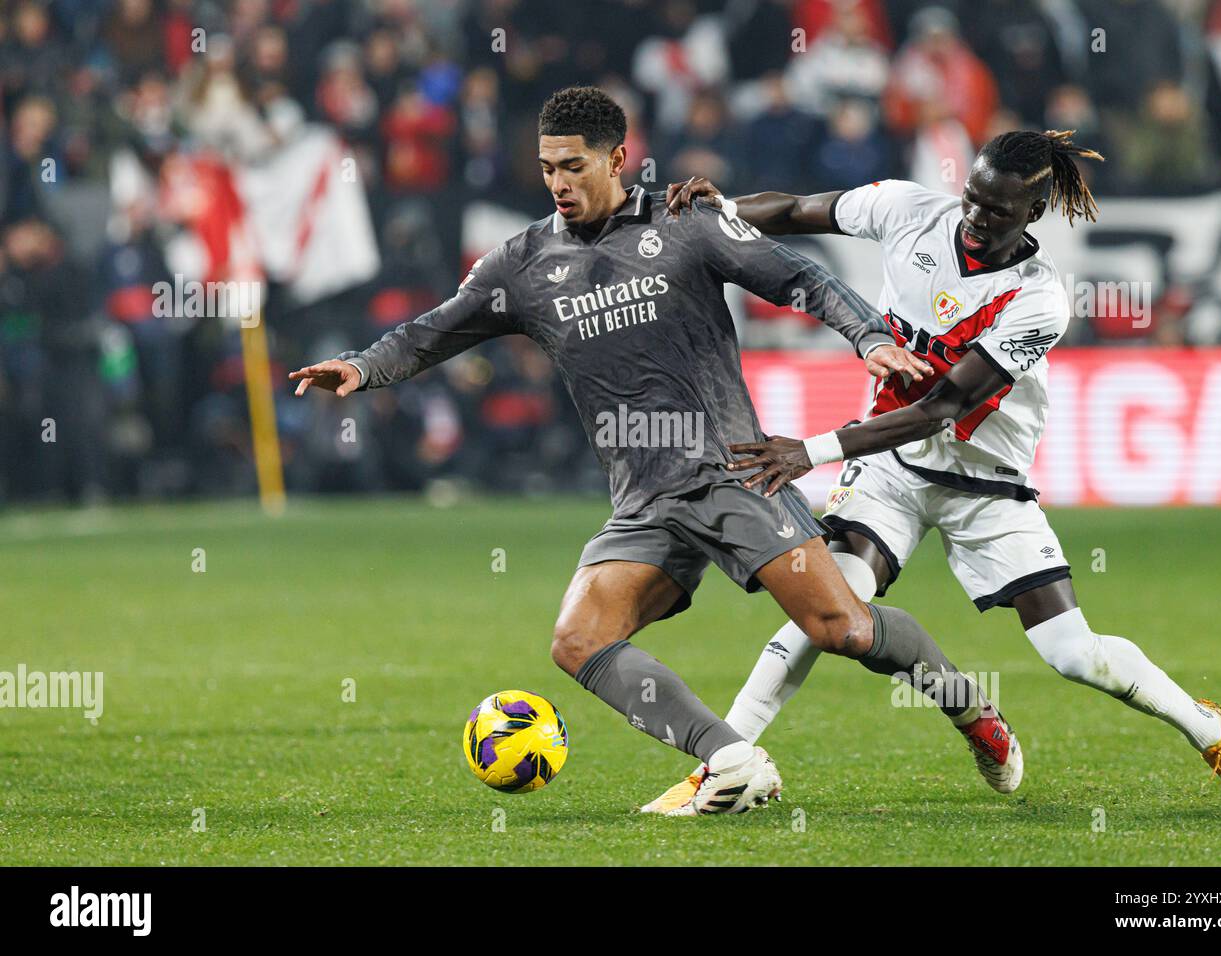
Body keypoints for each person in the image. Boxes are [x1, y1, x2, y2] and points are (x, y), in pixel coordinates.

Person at [290, 86, 1023, 815]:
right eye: (547, 168)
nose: (558, 183)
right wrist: (362, 367)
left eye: (573, 166)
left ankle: (971, 710)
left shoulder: (686, 223)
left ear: (618, 159)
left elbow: (799, 277)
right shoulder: (522, 263)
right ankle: (734, 760)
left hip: (734, 474)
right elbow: (432, 331)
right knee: (578, 640)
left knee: (844, 630)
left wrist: (868, 337)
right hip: (643, 498)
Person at [640, 129, 1221, 813]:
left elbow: (943, 408)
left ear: (1032, 214)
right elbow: (797, 210)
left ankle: (1209, 730)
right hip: (889, 467)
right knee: (824, 608)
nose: (975, 216)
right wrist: (721, 212)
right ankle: (726, 765)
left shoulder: (1037, 298)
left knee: (1072, 653)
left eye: (997, 210)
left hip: (987, 485)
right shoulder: (908, 209)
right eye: (972, 197)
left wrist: (812, 450)